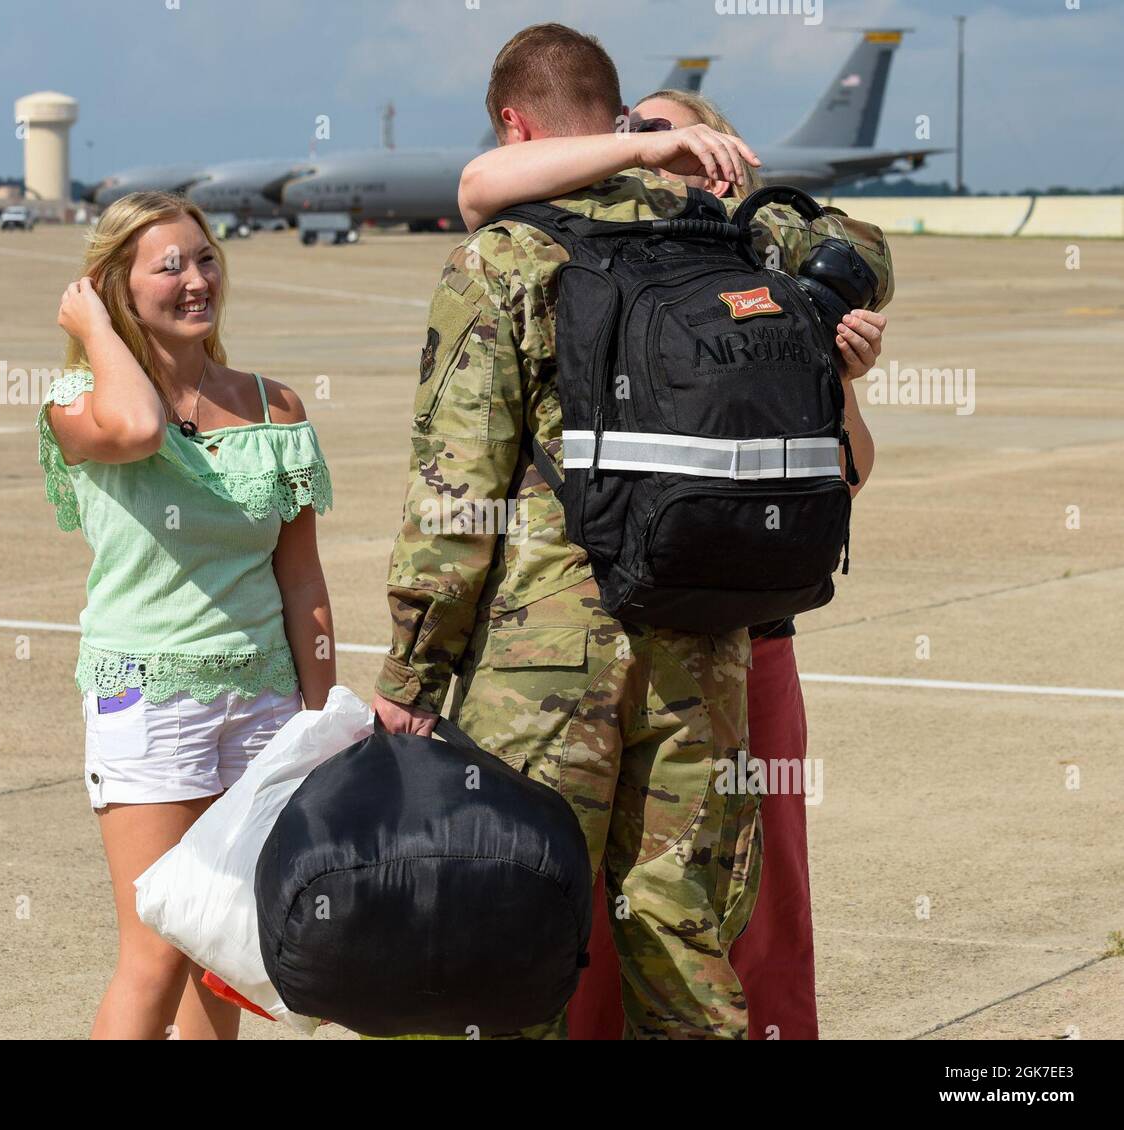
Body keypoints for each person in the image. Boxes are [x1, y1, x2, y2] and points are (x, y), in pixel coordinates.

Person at [372, 21, 888, 1039]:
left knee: (512, 937)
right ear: (612, 116)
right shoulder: (727, 230)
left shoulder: (509, 254)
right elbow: (862, 252)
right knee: (684, 939)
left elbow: (457, 491)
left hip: (545, 656)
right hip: (706, 638)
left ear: (515, 126)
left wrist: (411, 673)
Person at [37, 191, 335, 1039]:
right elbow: (136, 427)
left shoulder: (274, 409)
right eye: (167, 266)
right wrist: (95, 329)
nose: (196, 279)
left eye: (205, 259)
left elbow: (302, 577)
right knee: (159, 948)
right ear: (116, 287)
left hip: (263, 703)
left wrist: (320, 719)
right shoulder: (80, 401)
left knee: (225, 946)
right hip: (148, 697)